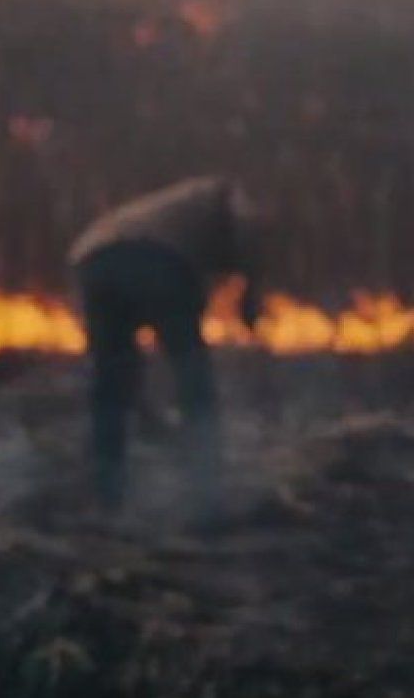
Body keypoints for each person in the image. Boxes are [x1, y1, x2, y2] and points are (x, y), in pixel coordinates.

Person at [68, 174, 269, 513]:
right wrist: (251, 288)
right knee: (193, 373)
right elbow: (245, 226)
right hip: (152, 257)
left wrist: (146, 411)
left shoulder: (169, 214)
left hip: (91, 259)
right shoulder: (221, 193)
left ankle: (107, 494)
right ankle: (206, 484)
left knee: (111, 385)